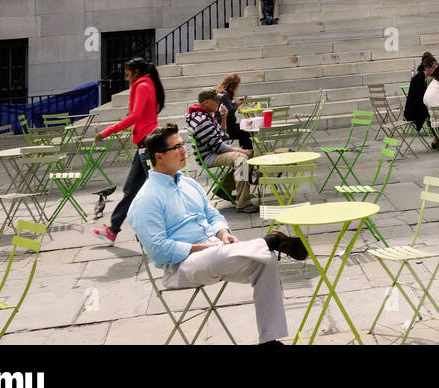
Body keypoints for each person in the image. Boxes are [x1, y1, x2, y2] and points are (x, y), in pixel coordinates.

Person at [128, 123, 308, 345]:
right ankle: (267, 241)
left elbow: (213, 215)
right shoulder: (145, 199)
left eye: (182, 144)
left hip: (216, 251)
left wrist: (223, 233)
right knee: (221, 254)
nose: (184, 151)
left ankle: (269, 340)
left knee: (266, 260)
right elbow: (159, 250)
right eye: (177, 147)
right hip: (182, 265)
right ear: (159, 156)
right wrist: (201, 248)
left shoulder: (189, 184)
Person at [93, 57, 165, 245]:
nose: (127, 79)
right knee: (131, 190)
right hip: (144, 144)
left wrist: (107, 132)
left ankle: (151, 232)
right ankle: (113, 229)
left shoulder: (142, 86)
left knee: (152, 191)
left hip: (147, 145)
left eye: (128, 75)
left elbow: (135, 116)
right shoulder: (147, 84)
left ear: (136, 73)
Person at [186, 90, 255, 212]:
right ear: (206, 102)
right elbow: (219, 146)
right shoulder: (201, 121)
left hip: (215, 151)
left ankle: (224, 189)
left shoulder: (205, 115)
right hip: (210, 156)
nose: (219, 102)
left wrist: (224, 118)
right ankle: (243, 202)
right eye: (216, 100)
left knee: (248, 157)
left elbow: (222, 137)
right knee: (242, 159)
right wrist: (242, 151)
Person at [216, 72, 252, 150]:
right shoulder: (224, 95)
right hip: (227, 128)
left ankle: (245, 150)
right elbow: (229, 111)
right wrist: (237, 104)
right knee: (247, 130)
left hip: (225, 125)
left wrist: (234, 103)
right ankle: (247, 151)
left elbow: (227, 107)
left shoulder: (221, 92)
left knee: (245, 128)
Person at [405, 52, 437, 129]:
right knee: (434, 111)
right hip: (413, 112)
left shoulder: (422, 76)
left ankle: (435, 129)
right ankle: (435, 130)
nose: (435, 70)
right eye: (433, 68)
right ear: (426, 68)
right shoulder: (420, 77)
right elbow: (420, 97)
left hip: (415, 108)